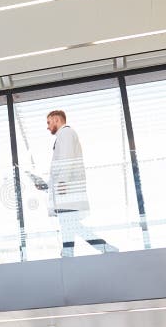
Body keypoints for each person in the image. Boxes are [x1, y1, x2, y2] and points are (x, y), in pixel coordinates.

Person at [38, 110, 117, 257]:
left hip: (67, 190)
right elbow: (60, 166)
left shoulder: (66, 134)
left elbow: (67, 159)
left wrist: (62, 182)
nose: (47, 127)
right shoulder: (63, 136)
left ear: (56, 120)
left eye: (49, 122)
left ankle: (99, 248)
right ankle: (76, 250)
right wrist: (46, 185)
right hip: (64, 188)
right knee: (68, 223)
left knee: (69, 223)